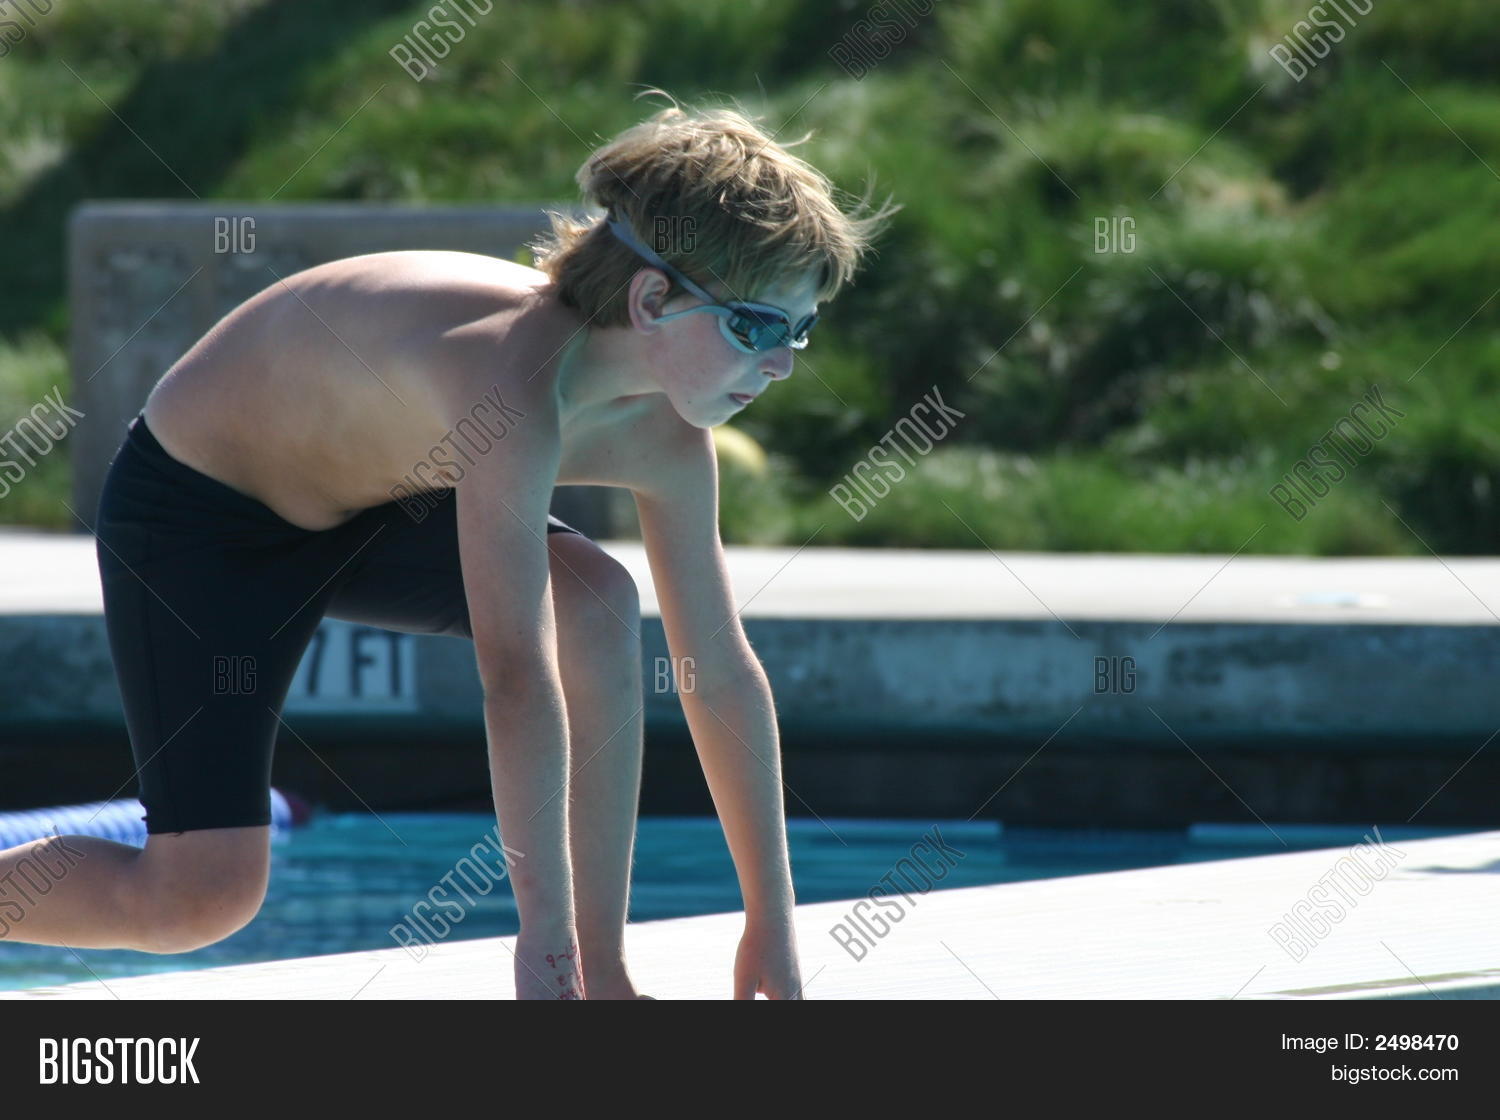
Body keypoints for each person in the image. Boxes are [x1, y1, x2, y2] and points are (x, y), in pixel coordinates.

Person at [0, 91, 896, 999]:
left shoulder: (669, 435)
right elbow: (516, 679)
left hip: (379, 498)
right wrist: (534, 945)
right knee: (196, 900)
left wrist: (772, 932)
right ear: (654, 297)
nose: (782, 363)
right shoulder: (511, 383)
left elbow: (722, 669)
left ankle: (604, 977)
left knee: (595, 603)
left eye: (802, 331)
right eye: (758, 328)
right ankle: (565, 961)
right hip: (203, 510)